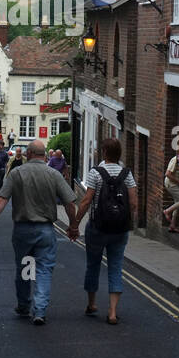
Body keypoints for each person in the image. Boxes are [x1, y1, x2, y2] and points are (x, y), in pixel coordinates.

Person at [0, 140, 77, 324]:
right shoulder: (54, 174)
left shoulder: (17, 173)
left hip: (23, 230)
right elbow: (69, 203)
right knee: (44, 270)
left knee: (25, 268)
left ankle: (24, 304)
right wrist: (73, 226)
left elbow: (2, 198)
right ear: (45, 155)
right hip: (45, 230)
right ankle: (40, 310)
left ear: (28, 153)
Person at [70, 137, 138, 325]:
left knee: (93, 265)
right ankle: (113, 312)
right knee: (115, 267)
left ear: (104, 153)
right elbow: (133, 202)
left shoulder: (96, 173)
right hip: (120, 229)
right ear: (119, 154)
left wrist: (75, 224)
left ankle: (92, 304)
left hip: (97, 227)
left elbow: (85, 201)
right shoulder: (127, 174)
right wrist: (123, 216)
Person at [163, 154, 179, 233]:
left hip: (174, 184)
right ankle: (167, 211)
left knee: (177, 203)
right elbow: (167, 174)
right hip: (171, 184)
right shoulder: (175, 159)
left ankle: (172, 225)